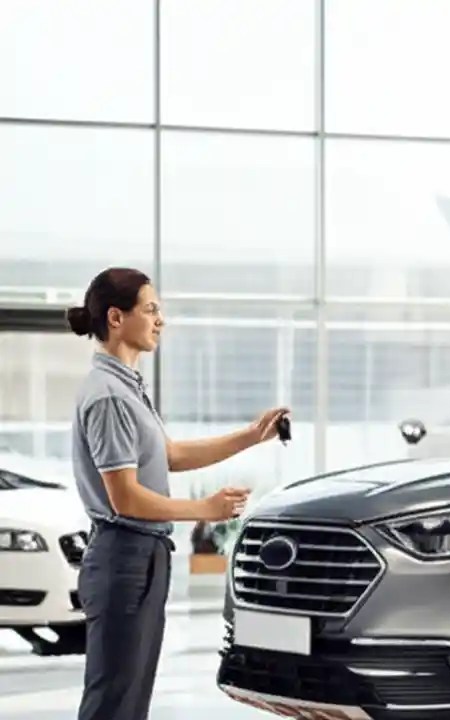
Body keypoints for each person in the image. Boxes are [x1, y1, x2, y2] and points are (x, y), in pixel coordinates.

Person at [66, 268, 290, 720]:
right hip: (123, 558)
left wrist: (251, 435)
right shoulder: (109, 396)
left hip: (139, 558)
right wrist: (204, 509)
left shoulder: (127, 389)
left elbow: (171, 454)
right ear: (115, 317)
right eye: (150, 309)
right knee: (113, 701)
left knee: (129, 700)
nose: (160, 319)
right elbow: (125, 498)